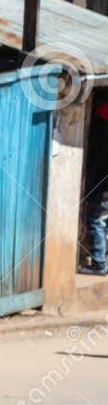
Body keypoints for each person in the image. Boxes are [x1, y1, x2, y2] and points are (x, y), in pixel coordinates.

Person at [83, 101, 108, 275]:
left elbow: (97, 165)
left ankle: (99, 263)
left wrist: (90, 189)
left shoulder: (101, 139)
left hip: (102, 188)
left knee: (95, 222)